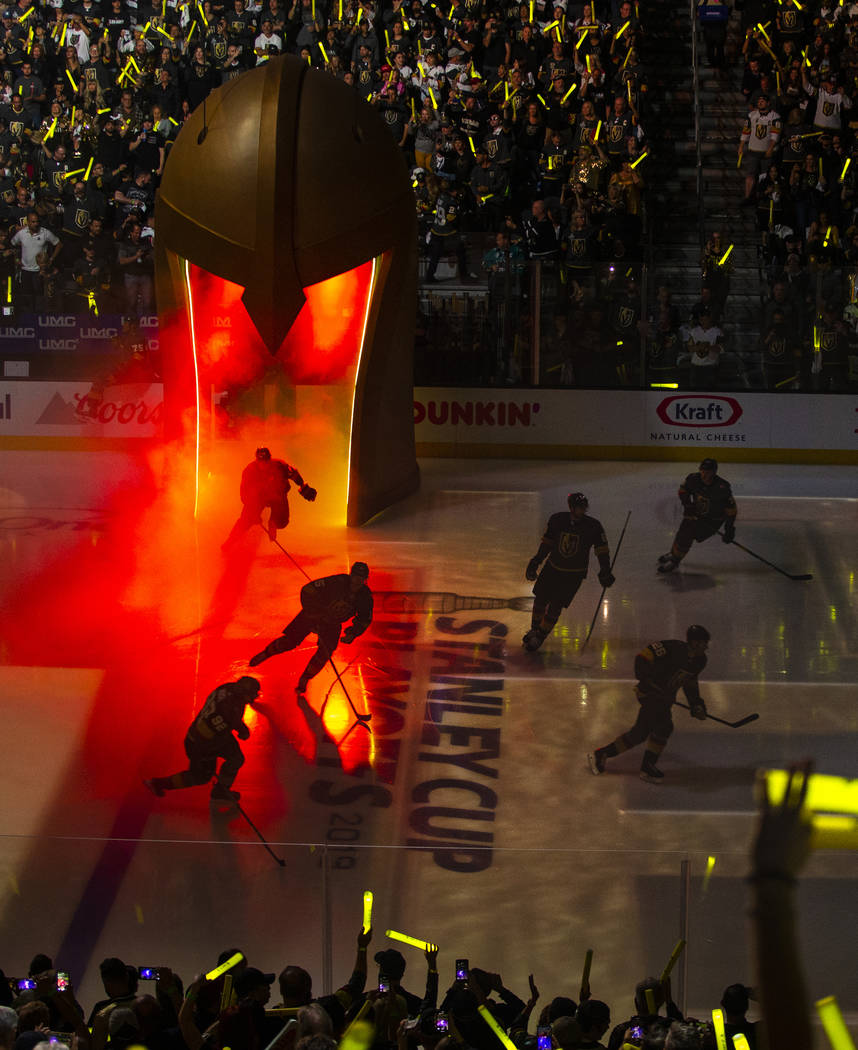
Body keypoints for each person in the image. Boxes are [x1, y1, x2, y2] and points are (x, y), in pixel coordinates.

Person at [587, 625, 710, 783]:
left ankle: (606, 755)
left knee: (645, 732)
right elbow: (642, 658)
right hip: (649, 695)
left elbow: (690, 682)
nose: (706, 646)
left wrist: (696, 703)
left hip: (665, 698)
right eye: (703, 643)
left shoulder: (700, 661)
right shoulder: (671, 648)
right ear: (694, 643)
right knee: (660, 727)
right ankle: (644, 766)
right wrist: (648, 682)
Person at [249, 562, 373, 694]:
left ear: (365, 579)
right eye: (355, 576)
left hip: (332, 623)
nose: (357, 581)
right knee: (290, 641)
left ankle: (305, 678)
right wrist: (314, 614)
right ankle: (267, 653)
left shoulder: (365, 596)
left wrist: (352, 633)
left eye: (361, 578)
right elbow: (308, 589)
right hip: (313, 614)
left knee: (325, 652)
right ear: (351, 575)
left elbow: (364, 618)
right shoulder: (337, 582)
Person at [144, 676, 261, 802]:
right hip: (202, 744)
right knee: (200, 776)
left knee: (236, 758)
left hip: (207, 736)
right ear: (243, 693)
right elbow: (226, 722)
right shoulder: (229, 709)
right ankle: (158, 783)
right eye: (251, 695)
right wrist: (243, 731)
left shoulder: (227, 688)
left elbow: (228, 721)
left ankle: (221, 791)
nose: (252, 699)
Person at [522, 493, 614, 652]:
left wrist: (605, 569)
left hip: (573, 575)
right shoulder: (557, 520)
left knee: (555, 606)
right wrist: (536, 561)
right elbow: (547, 543)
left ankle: (541, 636)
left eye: (584, 507)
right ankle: (535, 629)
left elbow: (602, 550)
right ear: (571, 507)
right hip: (552, 568)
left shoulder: (593, 526)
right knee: (540, 599)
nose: (582, 510)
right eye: (579, 507)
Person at [223, 446, 317, 548]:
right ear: (257, 461)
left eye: (266, 462)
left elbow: (293, 474)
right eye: (261, 462)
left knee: (283, 521)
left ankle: (274, 522)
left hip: (277, 495)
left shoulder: (279, 466)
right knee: (246, 519)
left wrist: (303, 486)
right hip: (259, 497)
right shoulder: (249, 471)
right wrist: (253, 512)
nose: (264, 465)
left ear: (269, 459)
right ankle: (231, 540)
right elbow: (245, 493)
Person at [657, 458, 737, 574]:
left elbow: (731, 511)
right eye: (703, 470)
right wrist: (688, 506)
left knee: (687, 536)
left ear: (714, 472)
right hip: (695, 514)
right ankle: (674, 553)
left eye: (708, 472)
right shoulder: (693, 479)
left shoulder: (722, 488)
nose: (704, 474)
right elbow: (683, 491)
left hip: (712, 520)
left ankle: (675, 560)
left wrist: (729, 529)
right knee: (682, 533)